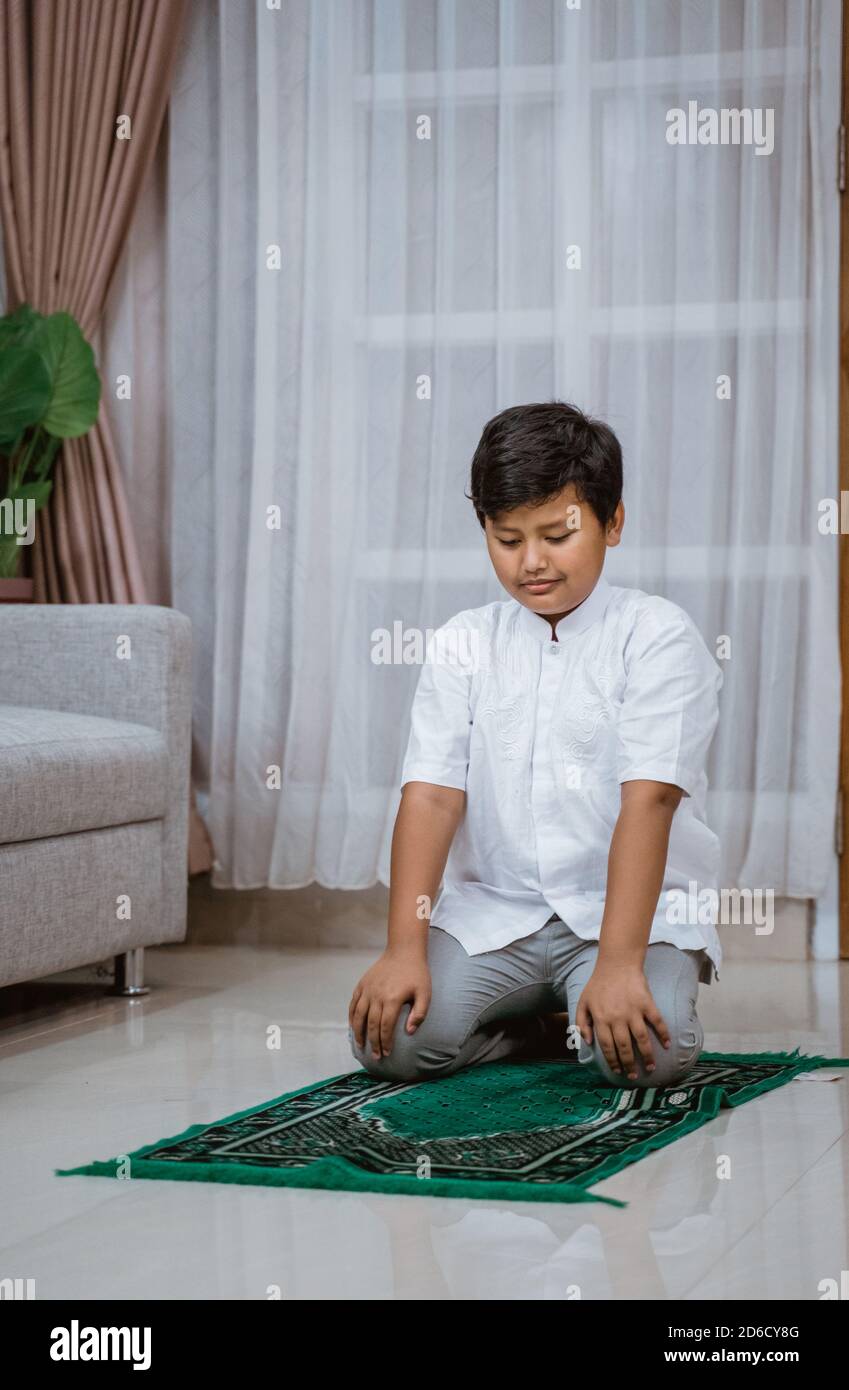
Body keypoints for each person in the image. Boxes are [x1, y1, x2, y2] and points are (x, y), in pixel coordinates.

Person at [348, 401, 722, 1090]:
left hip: (625, 919)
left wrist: (616, 965)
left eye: (557, 534)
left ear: (612, 523)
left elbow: (649, 801)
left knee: (644, 1057)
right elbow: (429, 797)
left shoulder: (658, 637)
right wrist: (403, 950)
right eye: (508, 539)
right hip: (500, 914)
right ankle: (530, 1030)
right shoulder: (464, 641)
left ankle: (590, 1006)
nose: (532, 563)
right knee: (387, 1045)